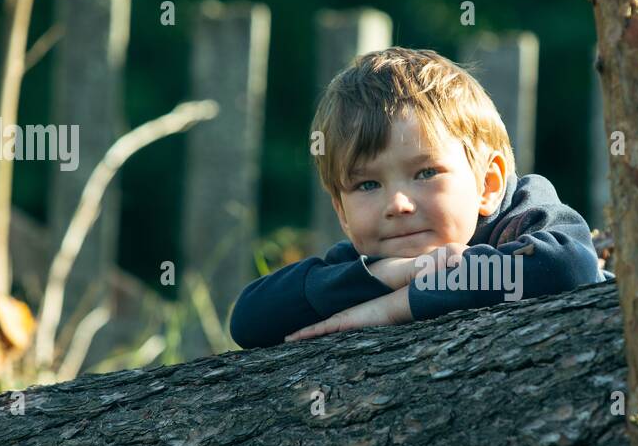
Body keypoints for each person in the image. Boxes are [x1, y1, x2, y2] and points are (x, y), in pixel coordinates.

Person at [229, 46, 612, 349]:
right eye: (367, 185)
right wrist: (391, 274)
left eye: (425, 173)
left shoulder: (523, 214)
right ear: (342, 213)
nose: (397, 204)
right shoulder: (376, 260)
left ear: (488, 183)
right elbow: (249, 320)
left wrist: (396, 306)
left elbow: (567, 268)